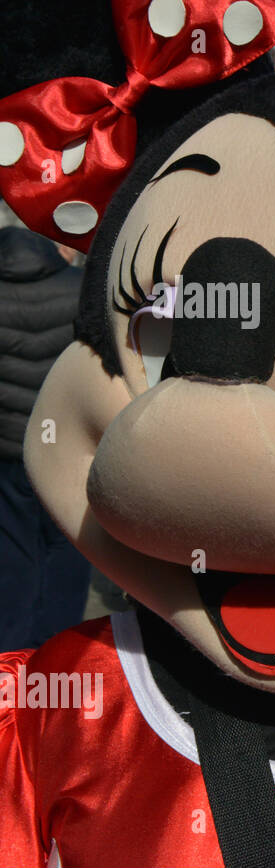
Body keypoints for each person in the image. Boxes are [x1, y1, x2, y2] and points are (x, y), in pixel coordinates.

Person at [0, 226, 91, 652]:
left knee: (15, 551)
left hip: (8, 450)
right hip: (64, 448)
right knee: (68, 547)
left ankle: (12, 651)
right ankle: (58, 648)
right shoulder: (79, 288)